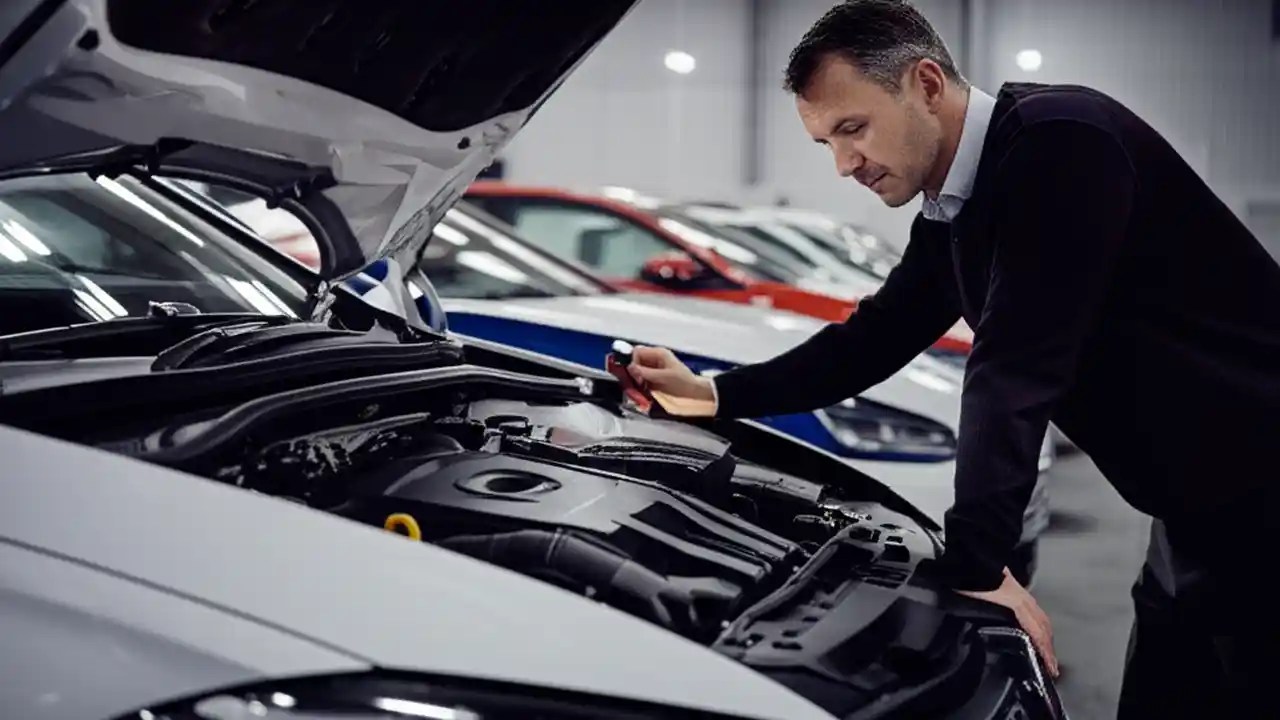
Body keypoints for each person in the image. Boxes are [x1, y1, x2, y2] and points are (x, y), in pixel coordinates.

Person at [625, 1, 1280, 716]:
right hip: (1195, 505)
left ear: (927, 84)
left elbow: (1016, 365)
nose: (846, 164)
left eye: (853, 128)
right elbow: (869, 341)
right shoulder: (953, 208)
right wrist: (713, 395)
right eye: (826, 143)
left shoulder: (1063, 143)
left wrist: (978, 562)